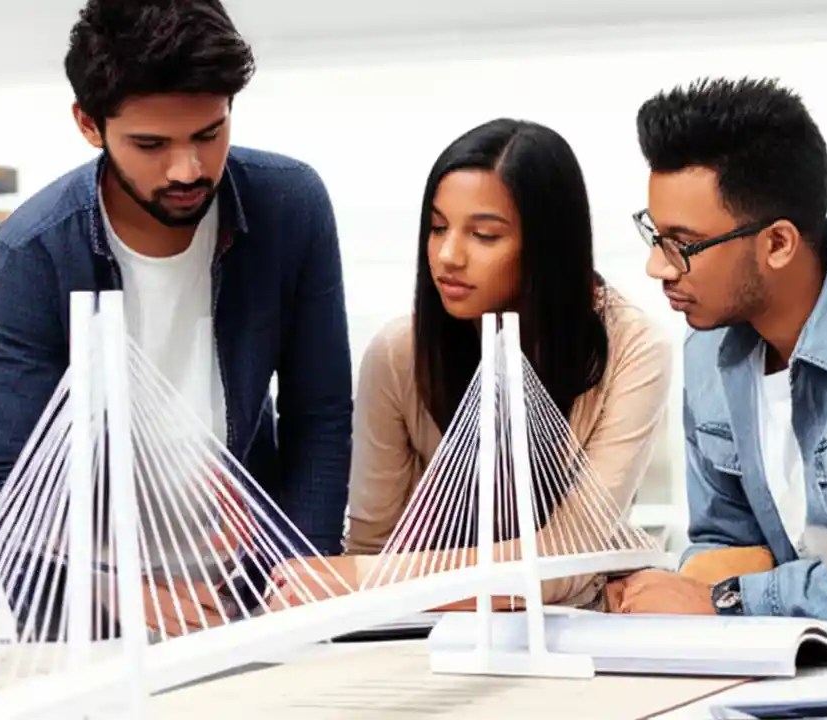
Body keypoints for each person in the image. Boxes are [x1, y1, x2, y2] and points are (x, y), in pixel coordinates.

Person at [0, 0, 353, 595]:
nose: (187, 169)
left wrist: (301, 574)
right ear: (88, 125)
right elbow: (9, 490)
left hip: (257, 584)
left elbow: (320, 413)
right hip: (96, 603)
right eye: (151, 144)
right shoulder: (31, 252)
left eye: (210, 133)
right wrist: (113, 599)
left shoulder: (290, 206)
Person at [274, 118, 673, 609]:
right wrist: (365, 578)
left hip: (588, 618)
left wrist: (366, 580)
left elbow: (566, 560)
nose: (448, 256)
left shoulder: (634, 348)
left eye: (484, 235)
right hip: (431, 626)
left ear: (548, 246)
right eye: (438, 227)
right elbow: (374, 544)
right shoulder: (398, 354)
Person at [609, 77, 827, 622]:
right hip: (795, 657)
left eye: (683, 244)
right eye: (655, 236)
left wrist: (729, 598)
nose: (657, 267)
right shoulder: (708, 349)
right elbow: (726, 543)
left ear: (778, 243)